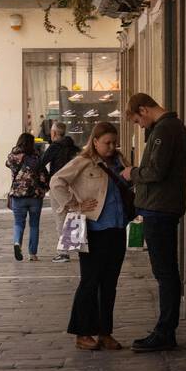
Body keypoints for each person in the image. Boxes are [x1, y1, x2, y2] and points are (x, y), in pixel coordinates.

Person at [50, 122, 132, 350]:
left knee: (110, 284)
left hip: (116, 229)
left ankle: (105, 332)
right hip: (92, 230)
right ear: (95, 141)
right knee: (89, 281)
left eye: (114, 142)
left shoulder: (119, 162)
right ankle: (82, 333)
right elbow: (56, 181)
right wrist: (74, 204)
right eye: (107, 143)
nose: (111, 146)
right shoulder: (84, 162)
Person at [121, 93, 186, 352]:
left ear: (144, 110)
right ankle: (164, 329)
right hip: (160, 207)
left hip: (160, 209)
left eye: (138, 120)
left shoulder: (166, 130)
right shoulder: (167, 129)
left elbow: (156, 171)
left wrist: (133, 173)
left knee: (165, 273)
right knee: (165, 272)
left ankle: (165, 331)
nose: (140, 126)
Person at [41, 122, 81, 262]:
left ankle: (63, 253)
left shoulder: (54, 147)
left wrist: (48, 180)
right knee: (74, 216)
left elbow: (41, 164)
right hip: (75, 186)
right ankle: (74, 248)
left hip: (58, 186)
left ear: (54, 133)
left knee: (60, 217)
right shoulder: (74, 148)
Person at [6, 132, 48, 261]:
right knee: (34, 225)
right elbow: (43, 176)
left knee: (19, 223)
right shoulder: (36, 157)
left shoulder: (13, 156)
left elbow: (9, 166)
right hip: (35, 195)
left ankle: (17, 243)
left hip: (18, 195)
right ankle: (32, 254)